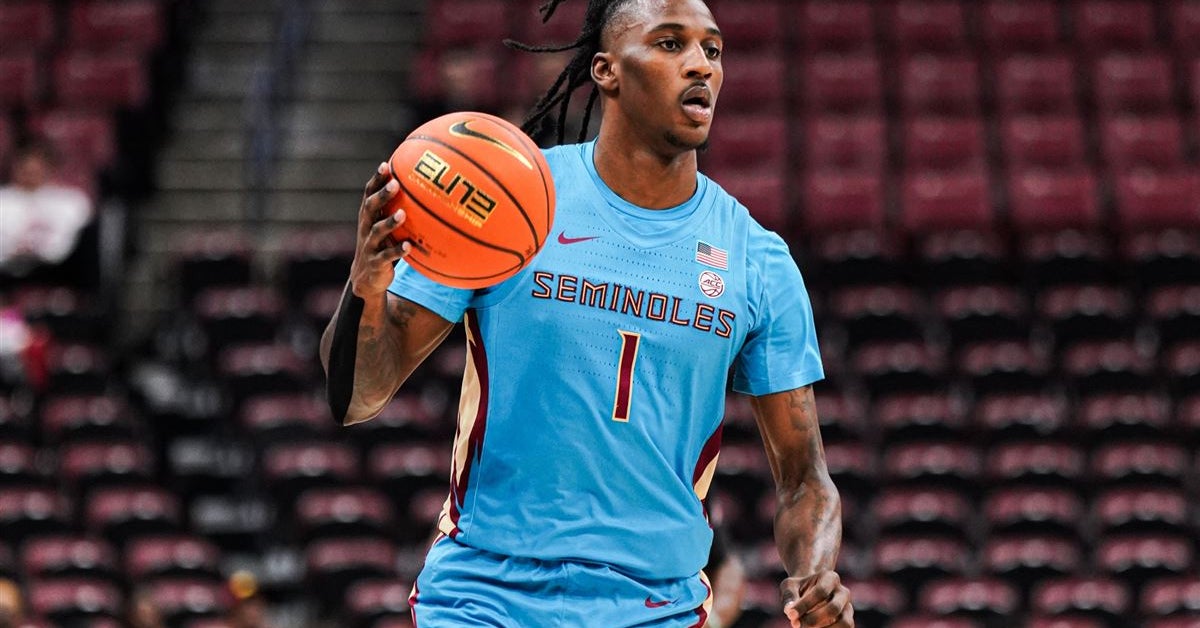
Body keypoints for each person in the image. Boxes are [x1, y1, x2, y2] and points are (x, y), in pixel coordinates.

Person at [320, 0, 852, 626]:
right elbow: (357, 393)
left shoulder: (757, 259)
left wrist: (815, 576)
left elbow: (803, 480)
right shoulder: (505, 200)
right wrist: (366, 285)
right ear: (606, 71)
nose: (700, 66)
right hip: (485, 593)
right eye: (670, 43)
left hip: (657, 606)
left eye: (712, 50)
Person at [0, 141, 93, 290]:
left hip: (60, 276)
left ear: (49, 168)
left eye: (36, 170)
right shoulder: (3, 200)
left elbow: (80, 245)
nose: (30, 175)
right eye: (25, 169)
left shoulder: (71, 201)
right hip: (5, 277)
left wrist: (42, 252)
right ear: (14, 167)